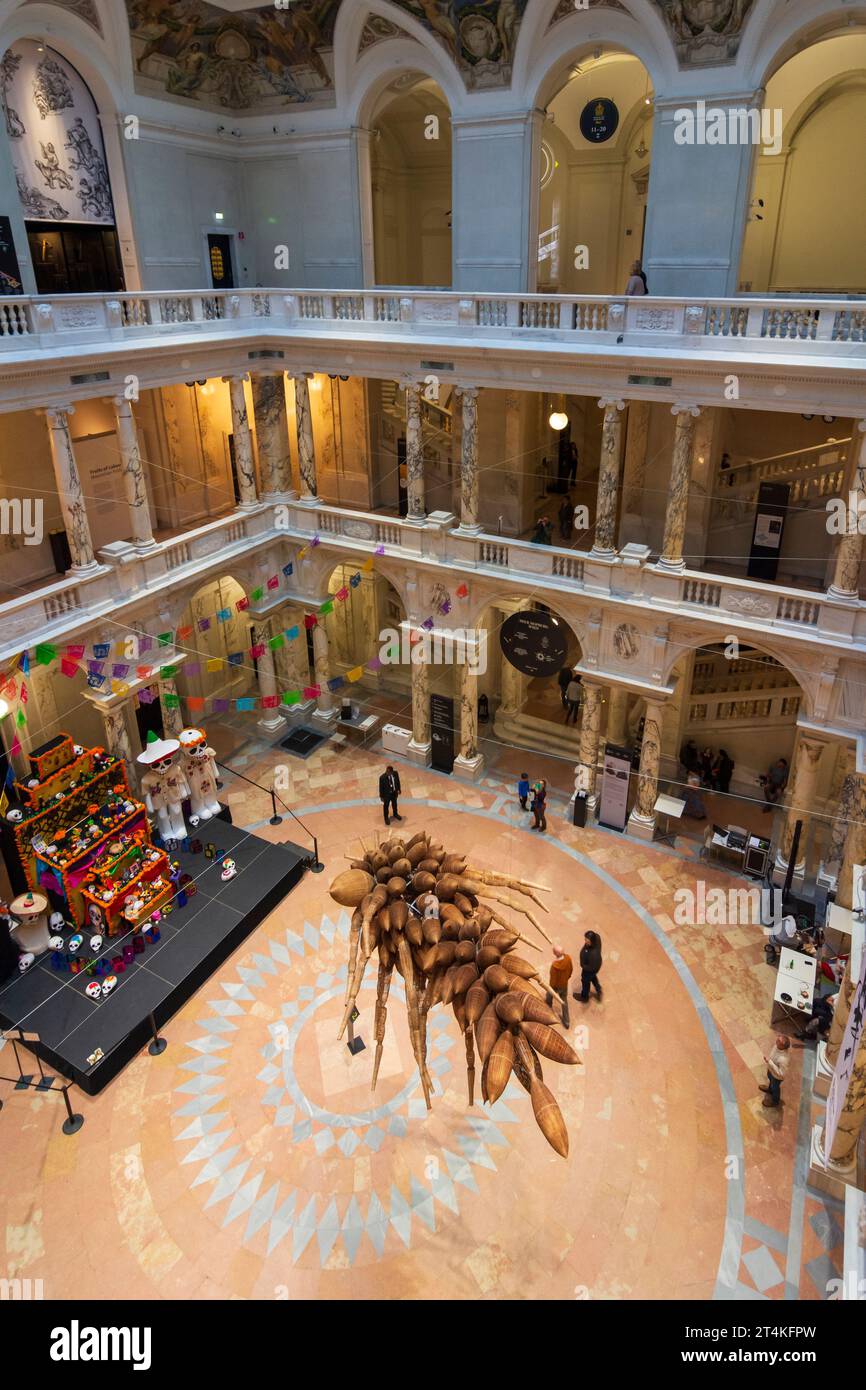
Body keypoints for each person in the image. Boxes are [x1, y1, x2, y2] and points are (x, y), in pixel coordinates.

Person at [759, 1034, 791, 1108]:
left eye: (778, 1041)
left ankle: (775, 1101)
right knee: (770, 1080)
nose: (776, 1040)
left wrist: (770, 1062)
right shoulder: (777, 1046)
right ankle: (769, 1089)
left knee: (775, 1088)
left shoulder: (784, 1059)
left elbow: (781, 1074)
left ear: (782, 1046)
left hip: (776, 1077)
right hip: (771, 1071)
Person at [547, 943, 573, 1028]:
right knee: (564, 1001)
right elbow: (570, 970)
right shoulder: (568, 958)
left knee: (549, 994)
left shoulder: (554, 966)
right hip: (564, 985)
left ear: (555, 954)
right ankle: (567, 1021)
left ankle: (548, 1005)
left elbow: (553, 980)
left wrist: (551, 987)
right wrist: (566, 978)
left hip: (556, 986)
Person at [573, 930, 603, 1003]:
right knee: (593, 977)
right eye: (585, 939)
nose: (585, 942)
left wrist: (583, 966)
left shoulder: (594, 954)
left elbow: (592, 967)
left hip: (590, 969)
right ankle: (598, 989)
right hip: (592, 969)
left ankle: (584, 996)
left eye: (587, 940)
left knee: (585, 981)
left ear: (592, 941)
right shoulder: (596, 938)